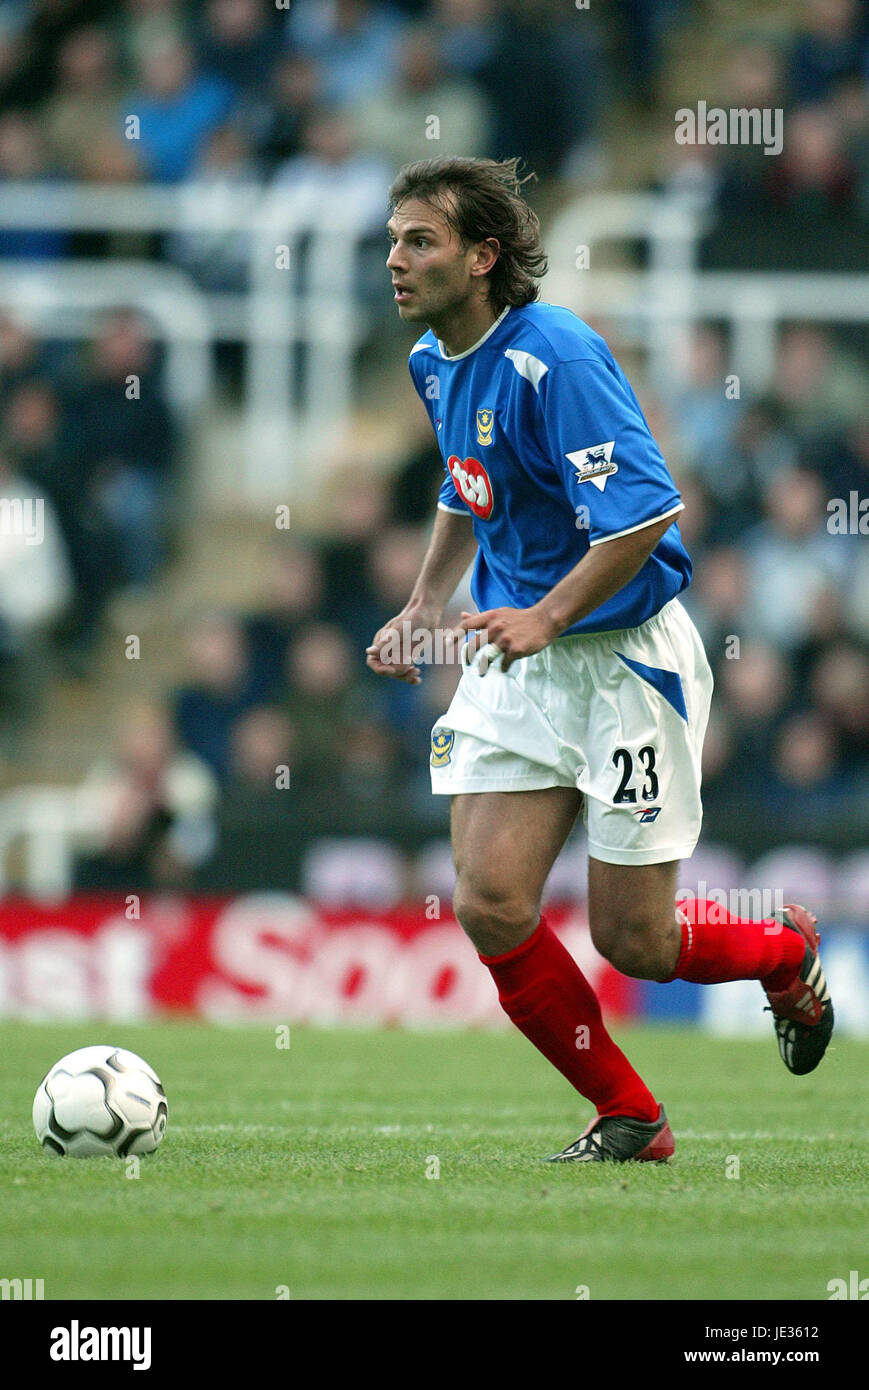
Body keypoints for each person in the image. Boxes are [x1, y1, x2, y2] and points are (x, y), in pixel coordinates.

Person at [366, 156, 834, 1163]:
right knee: (490, 901)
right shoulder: (431, 360)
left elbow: (645, 516)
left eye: (418, 241)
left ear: (483, 256)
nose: (394, 260)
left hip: (625, 660)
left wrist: (543, 613)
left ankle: (782, 945)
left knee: (635, 941)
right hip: (520, 655)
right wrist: (422, 602)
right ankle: (630, 1115)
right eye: (393, 239)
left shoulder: (558, 356)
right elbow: (466, 484)